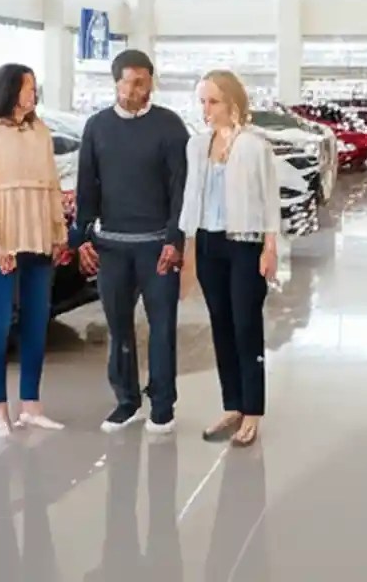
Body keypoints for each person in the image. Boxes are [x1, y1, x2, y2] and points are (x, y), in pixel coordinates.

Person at [74, 50, 190, 435]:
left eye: (145, 81)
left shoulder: (170, 127)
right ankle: (126, 401)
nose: (138, 89)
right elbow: (87, 185)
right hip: (112, 248)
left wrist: (176, 240)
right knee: (119, 327)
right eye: (131, 81)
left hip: (158, 247)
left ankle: (162, 404)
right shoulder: (97, 127)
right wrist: (81, 238)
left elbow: (180, 191)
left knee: (162, 327)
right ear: (116, 83)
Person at [179, 70, 280, 447]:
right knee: (220, 325)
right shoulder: (197, 145)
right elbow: (192, 198)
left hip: (245, 243)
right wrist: (188, 244)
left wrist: (270, 247)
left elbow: (270, 198)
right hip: (209, 243)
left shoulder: (254, 146)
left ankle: (253, 410)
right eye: (202, 101)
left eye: (213, 101)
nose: (206, 109)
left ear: (233, 102)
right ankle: (232, 403)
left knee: (245, 325)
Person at [0, 63, 68, 438]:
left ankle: (31, 406)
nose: (34, 93)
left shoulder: (40, 132)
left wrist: (59, 233)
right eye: (28, 87)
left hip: (39, 238)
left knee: (36, 322)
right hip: (1, 243)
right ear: (10, 90)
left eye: (35, 87)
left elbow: (52, 186)